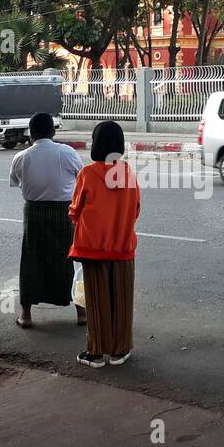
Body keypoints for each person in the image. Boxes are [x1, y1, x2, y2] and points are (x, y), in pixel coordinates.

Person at [68, 120, 140, 368]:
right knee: (121, 299)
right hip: (123, 246)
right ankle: (120, 351)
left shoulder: (87, 174)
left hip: (93, 248)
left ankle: (96, 352)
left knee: (97, 301)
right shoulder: (127, 172)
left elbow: (75, 210)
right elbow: (136, 208)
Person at [9, 112, 84, 329]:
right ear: (53, 131)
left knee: (32, 261)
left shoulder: (21, 157)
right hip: (64, 213)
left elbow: (15, 182)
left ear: (31, 134)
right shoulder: (67, 153)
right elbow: (81, 177)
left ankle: (26, 315)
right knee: (72, 262)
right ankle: (81, 312)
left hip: (34, 213)